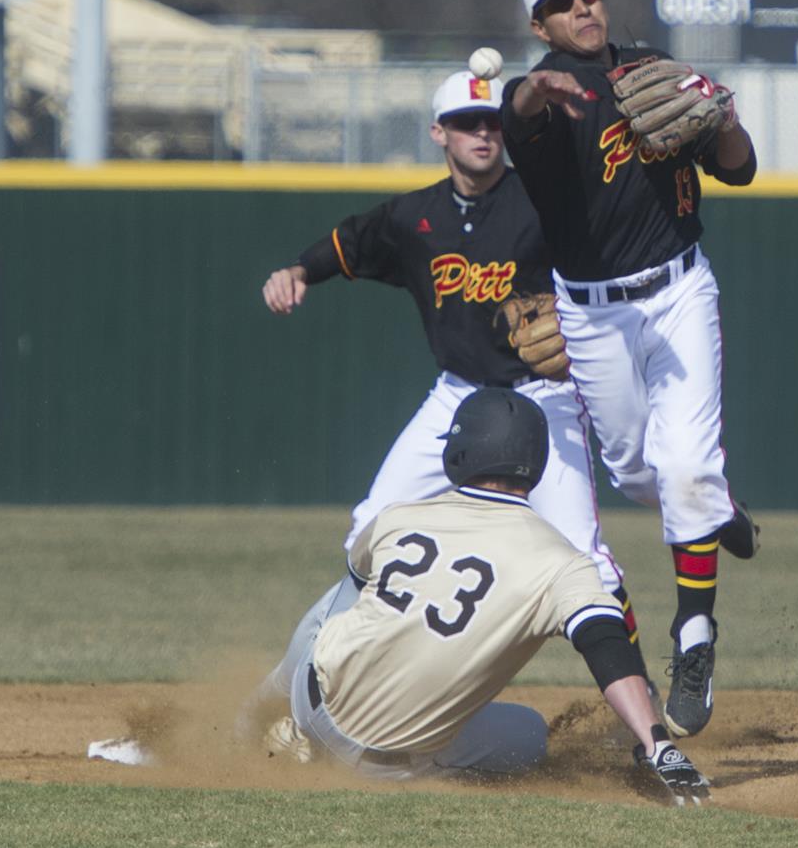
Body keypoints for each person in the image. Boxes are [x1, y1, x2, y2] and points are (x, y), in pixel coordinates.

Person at [499, 0, 761, 739]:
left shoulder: (653, 69)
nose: (583, 7)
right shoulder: (543, 99)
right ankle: (720, 509)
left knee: (684, 467)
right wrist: (532, 90)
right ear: (539, 23)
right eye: (563, 1)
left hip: (680, 289)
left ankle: (695, 638)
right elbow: (519, 114)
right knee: (637, 469)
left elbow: (740, 170)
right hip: (593, 313)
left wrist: (724, 120)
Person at [261, 65, 636, 606]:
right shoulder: (416, 216)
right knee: (372, 527)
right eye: (466, 123)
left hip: (543, 396)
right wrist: (297, 272)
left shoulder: (544, 201)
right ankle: (345, 658)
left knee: (582, 555)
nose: (482, 134)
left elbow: (607, 257)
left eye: (491, 123)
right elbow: (349, 242)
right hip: (458, 397)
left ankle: (634, 684)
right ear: (439, 132)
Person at [258, 388, 710, 805]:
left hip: (308, 694)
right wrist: (658, 744)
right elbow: (606, 643)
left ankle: (261, 712)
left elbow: (353, 590)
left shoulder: (397, 516)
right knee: (531, 733)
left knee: (346, 596)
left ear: (460, 450)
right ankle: (314, 735)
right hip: (381, 767)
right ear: (537, 461)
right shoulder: (560, 562)